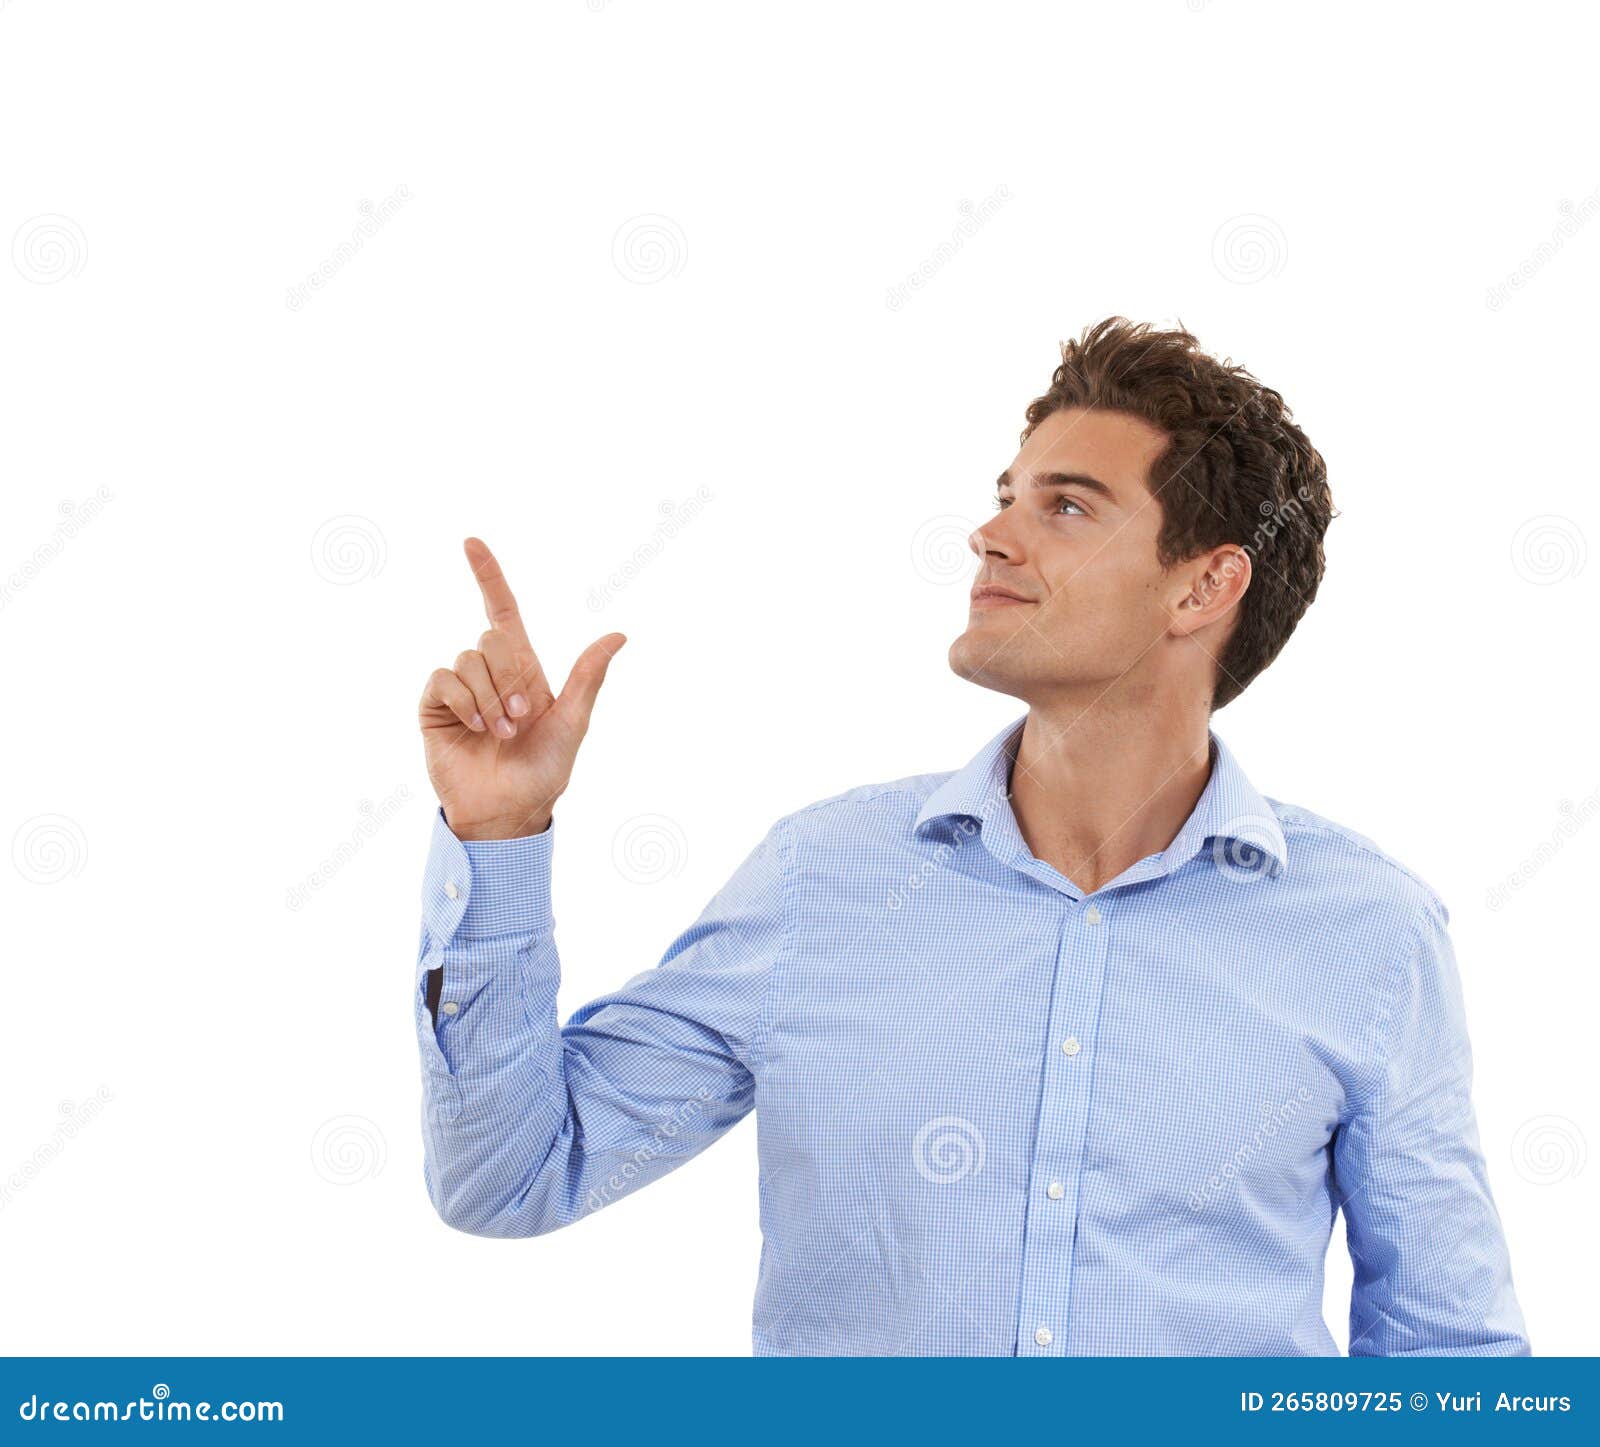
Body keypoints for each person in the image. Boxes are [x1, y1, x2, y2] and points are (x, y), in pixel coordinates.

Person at [411, 317, 1529, 1356]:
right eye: (1007, 496)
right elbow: (510, 1179)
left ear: (1203, 586)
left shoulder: (1368, 932)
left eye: (1068, 505)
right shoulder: (824, 878)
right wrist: (499, 828)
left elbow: (1451, 1362)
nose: (989, 535)